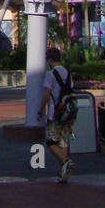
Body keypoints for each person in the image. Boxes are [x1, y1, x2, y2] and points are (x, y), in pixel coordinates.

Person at [38, 47, 75, 183]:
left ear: (50, 59)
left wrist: (40, 110)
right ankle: (63, 174)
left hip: (54, 113)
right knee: (63, 143)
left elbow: (46, 94)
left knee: (50, 141)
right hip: (67, 112)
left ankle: (66, 162)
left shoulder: (50, 74)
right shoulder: (68, 72)